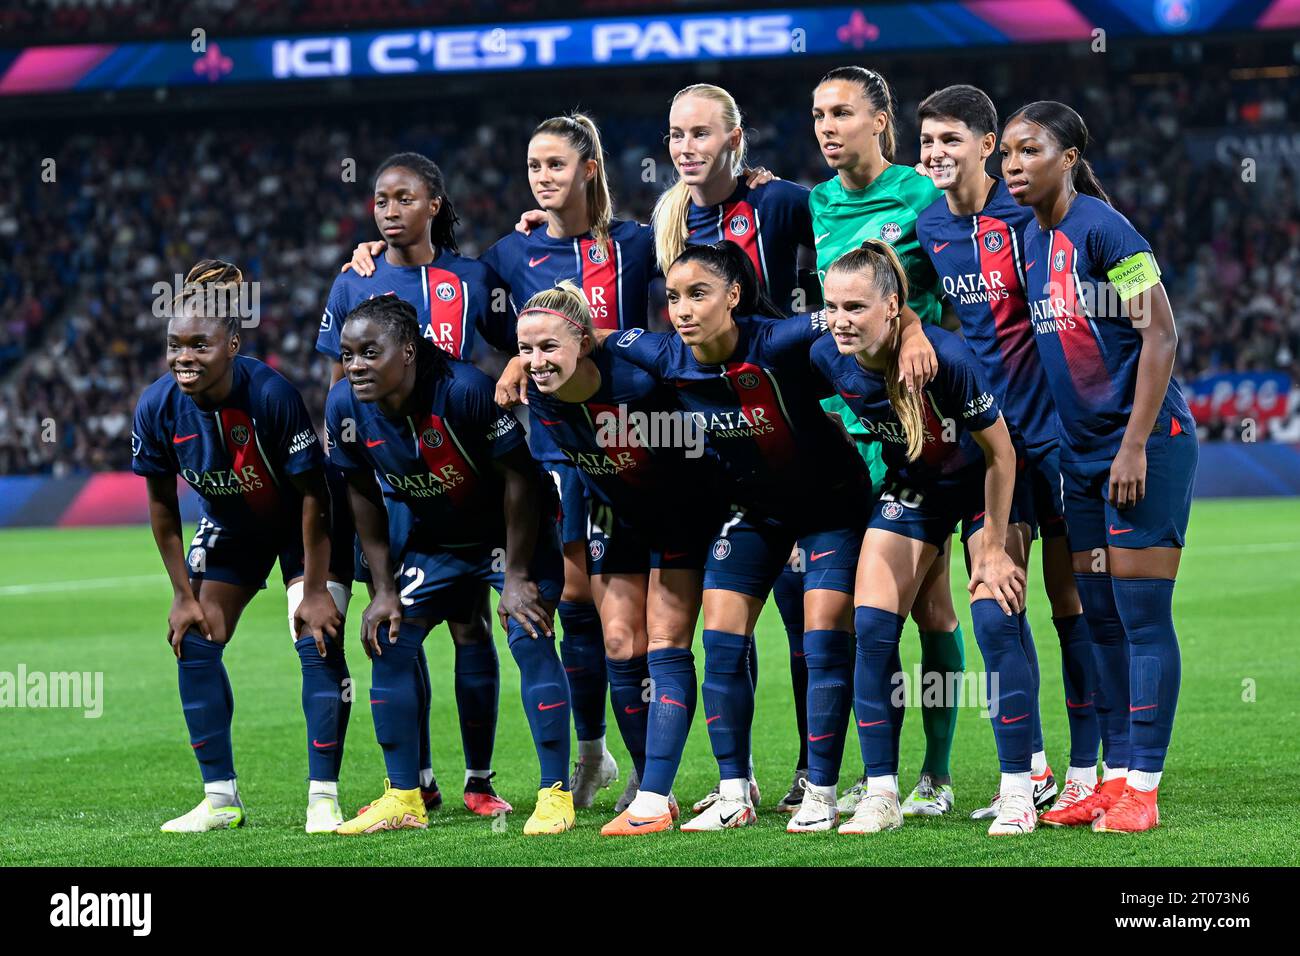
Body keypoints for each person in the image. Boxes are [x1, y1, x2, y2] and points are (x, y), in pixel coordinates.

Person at [605, 241, 933, 831]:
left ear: (733, 297)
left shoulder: (778, 340)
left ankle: (825, 792)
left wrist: (909, 330)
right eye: (673, 296)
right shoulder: (662, 354)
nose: (681, 309)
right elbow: (597, 336)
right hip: (757, 512)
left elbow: (855, 313)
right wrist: (517, 363)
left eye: (698, 294)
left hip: (832, 507)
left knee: (827, 641)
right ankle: (734, 793)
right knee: (722, 642)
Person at [1002, 101, 1197, 833]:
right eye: (1007, 154)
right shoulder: (1028, 238)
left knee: (1143, 619)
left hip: (1145, 446)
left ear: (1070, 156)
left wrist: (1134, 444)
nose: (1013, 164)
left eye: (1029, 150)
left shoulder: (1107, 231)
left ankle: (1144, 787)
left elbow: (1162, 334)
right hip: (1080, 460)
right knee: (1102, 620)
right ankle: (1113, 779)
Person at [813, 240, 1040, 835]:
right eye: (832, 306)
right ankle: (882, 793)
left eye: (855, 307)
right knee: (871, 624)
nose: (840, 320)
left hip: (990, 484)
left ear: (893, 308)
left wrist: (991, 547)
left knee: (993, 614)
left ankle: (1018, 790)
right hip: (917, 486)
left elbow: (1001, 454)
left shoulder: (944, 358)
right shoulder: (824, 355)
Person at [326, 294, 575, 835]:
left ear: (409, 351)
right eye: (348, 355)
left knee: (528, 635)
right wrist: (382, 589)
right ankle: (404, 797)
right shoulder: (345, 405)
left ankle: (555, 795)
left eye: (371, 352)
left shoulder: (464, 392)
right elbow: (362, 493)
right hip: (434, 540)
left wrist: (514, 577)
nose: (357, 366)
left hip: (510, 535)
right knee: (389, 640)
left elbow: (521, 479)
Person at [915, 85, 1095, 818]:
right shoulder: (927, 225)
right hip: (1000, 444)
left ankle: (1087, 773)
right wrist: (918, 331)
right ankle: (1022, 780)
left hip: (1069, 439)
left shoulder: (1033, 211)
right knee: (994, 609)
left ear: (987, 145)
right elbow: (888, 289)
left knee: (1073, 606)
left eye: (951, 139)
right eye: (926, 142)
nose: (936, 154)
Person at [320, 152, 515, 817]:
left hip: (463, 474)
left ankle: (480, 783)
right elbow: (340, 383)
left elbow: (518, 344)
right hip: (393, 482)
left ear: (434, 202)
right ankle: (415, 783)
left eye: (404, 198)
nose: (389, 209)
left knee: (469, 626)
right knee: (395, 621)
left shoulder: (471, 276)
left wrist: (511, 390)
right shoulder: (354, 279)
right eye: (380, 200)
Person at [132, 259, 351, 834]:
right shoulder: (157, 406)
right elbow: (161, 507)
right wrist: (182, 594)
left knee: (316, 638)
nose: (184, 356)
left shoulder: (272, 395)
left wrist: (318, 589)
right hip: (232, 526)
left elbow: (315, 496)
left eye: (199, 344)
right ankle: (220, 799)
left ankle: (323, 799)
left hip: (304, 526)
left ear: (231, 344)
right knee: (194, 638)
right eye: (175, 344)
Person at [808, 65, 965, 817]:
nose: (828, 127)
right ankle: (866, 780)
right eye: (818, 115)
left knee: (931, 611)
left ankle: (933, 775)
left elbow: (954, 290)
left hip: (930, 422)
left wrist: (911, 328)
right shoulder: (816, 201)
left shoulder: (920, 193)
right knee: (870, 619)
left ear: (880, 119)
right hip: (861, 432)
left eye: (842, 112)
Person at [515, 280, 717, 834]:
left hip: (678, 512)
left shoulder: (640, 382)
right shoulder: (541, 393)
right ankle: (652, 784)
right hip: (614, 513)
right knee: (620, 643)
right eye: (526, 350)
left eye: (548, 348)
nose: (535, 361)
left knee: (666, 643)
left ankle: (677, 789)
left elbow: (702, 437)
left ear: (583, 341)